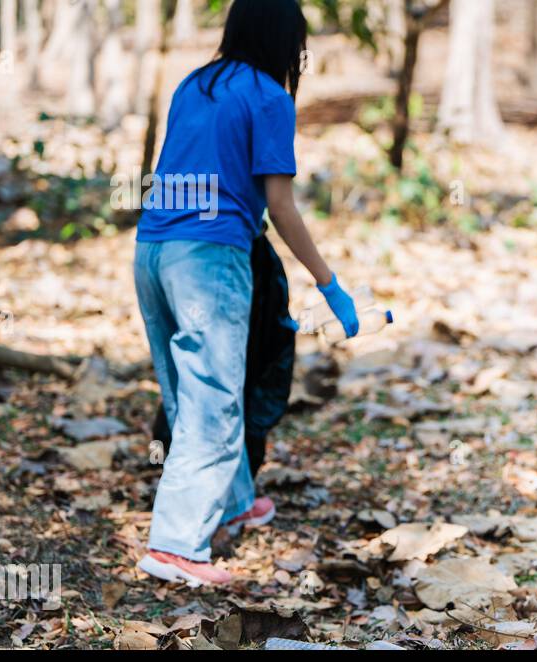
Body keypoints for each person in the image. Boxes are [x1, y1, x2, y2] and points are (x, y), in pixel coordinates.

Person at [132, 0, 360, 586]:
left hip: (153, 249)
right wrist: (330, 283)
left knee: (192, 387)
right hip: (209, 258)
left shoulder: (195, 84)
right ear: (285, 40)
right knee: (213, 398)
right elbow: (280, 205)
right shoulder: (268, 96)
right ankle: (176, 546)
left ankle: (232, 503)